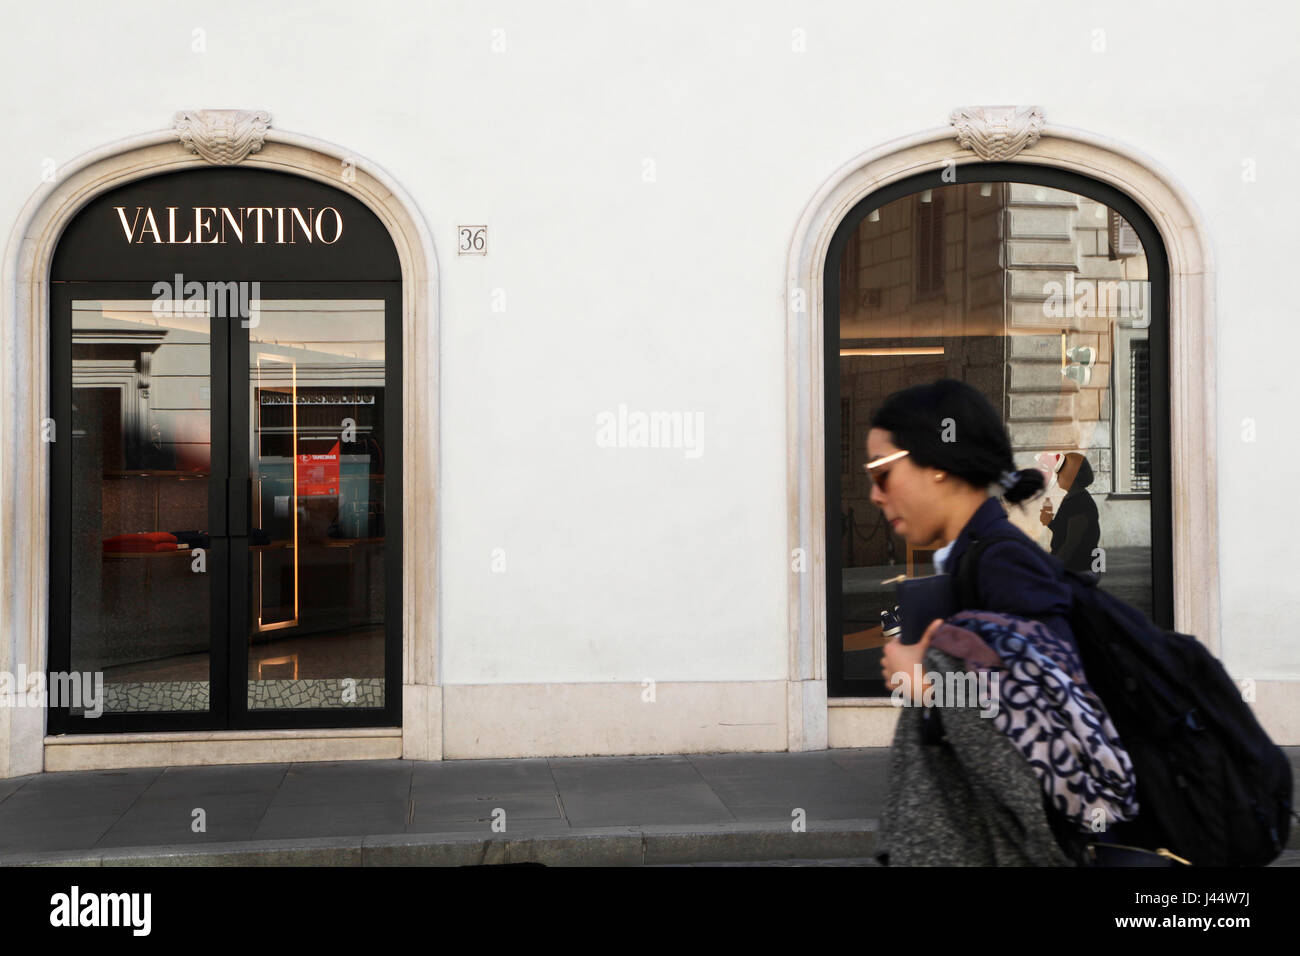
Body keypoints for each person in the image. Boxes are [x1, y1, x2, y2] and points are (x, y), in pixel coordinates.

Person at [1039, 452, 1101, 573]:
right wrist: (1049, 522)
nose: (1056, 475)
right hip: (1071, 567)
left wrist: (1052, 570)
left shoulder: (1080, 503)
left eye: (1060, 470)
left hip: (1078, 570)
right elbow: (1062, 532)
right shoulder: (1070, 499)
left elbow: (1070, 544)